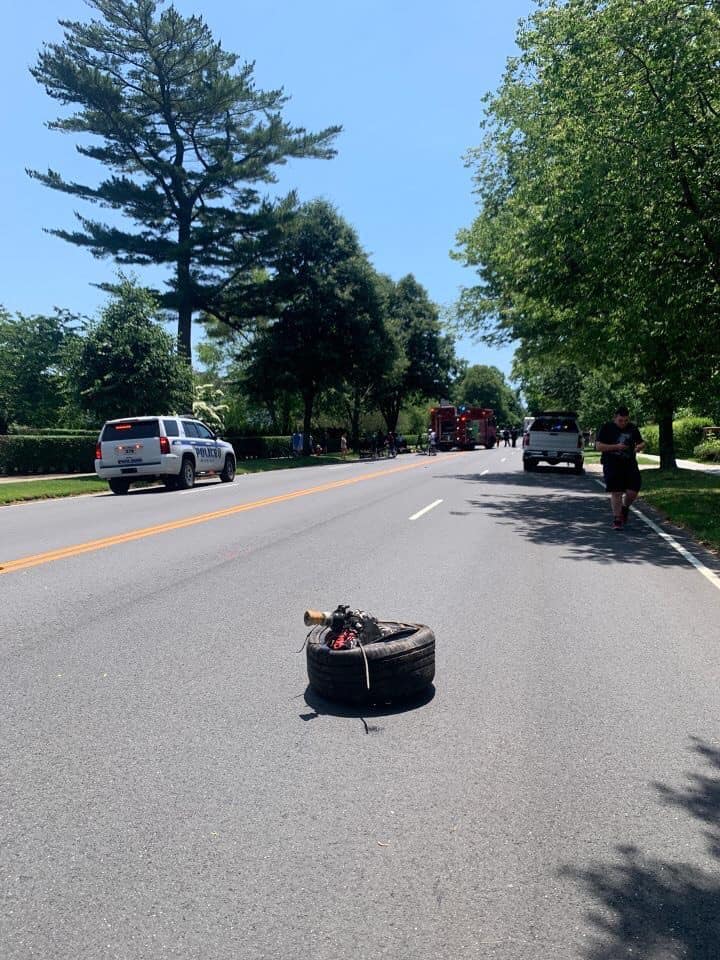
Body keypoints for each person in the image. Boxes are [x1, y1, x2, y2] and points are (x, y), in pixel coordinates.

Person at [596, 405, 646, 530]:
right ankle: (617, 519)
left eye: (626, 420)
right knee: (617, 492)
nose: (623, 423)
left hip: (630, 464)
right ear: (615, 418)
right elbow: (599, 446)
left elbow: (641, 442)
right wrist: (616, 447)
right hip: (612, 464)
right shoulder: (607, 428)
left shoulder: (632, 428)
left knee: (632, 491)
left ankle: (625, 507)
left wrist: (640, 446)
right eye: (620, 420)